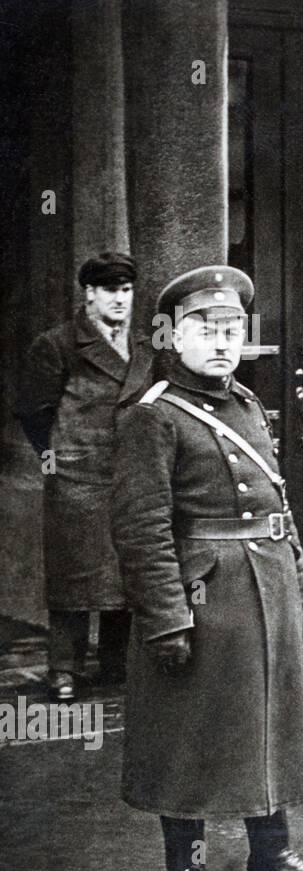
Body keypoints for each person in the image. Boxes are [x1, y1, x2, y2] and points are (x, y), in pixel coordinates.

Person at [111, 266, 303, 871]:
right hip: (202, 595)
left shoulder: (247, 405)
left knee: (268, 723)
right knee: (186, 736)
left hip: (265, 587)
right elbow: (141, 526)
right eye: (204, 330)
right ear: (172, 336)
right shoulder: (151, 416)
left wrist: (300, 583)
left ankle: (272, 853)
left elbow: (278, 502)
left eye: (232, 330)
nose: (220, 343)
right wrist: (165, 617)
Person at [16, 252, 155, 701]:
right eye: (111, 290)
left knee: (125, 570)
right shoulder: (57, 345)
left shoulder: (143, 346)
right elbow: (34, 413)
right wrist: (60, 460)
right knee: (74, 575)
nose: (120, 299)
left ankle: (116, 664)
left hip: (130, 477)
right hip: (78, 478)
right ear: (89, 294)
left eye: (127, 290)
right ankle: (64, 671)